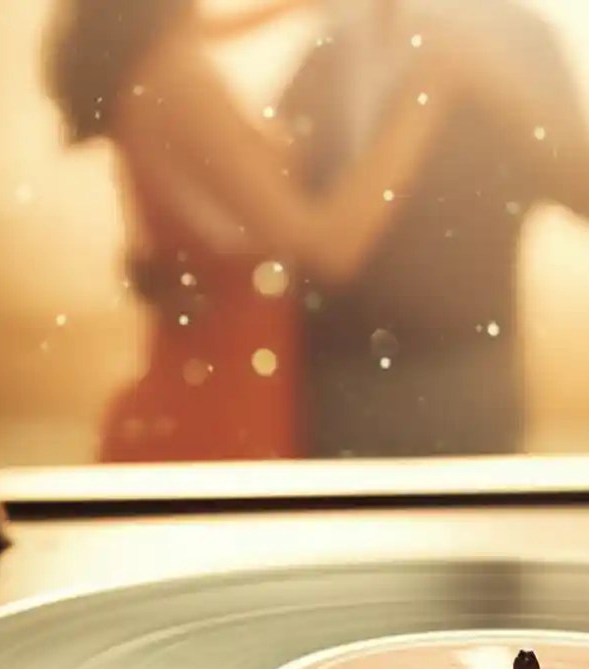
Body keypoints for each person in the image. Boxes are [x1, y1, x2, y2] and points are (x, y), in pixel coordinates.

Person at [45, 0, 463, 461]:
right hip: (217, 402)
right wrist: (428, 94)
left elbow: (222, 26)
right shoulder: (179, 81)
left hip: (214, 379)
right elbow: (328, 250)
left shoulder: (153, 57)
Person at [280, 0, 589, 457]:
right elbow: (270, 193)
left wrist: (495, 83)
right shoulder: (332, 42)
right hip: (333, 378)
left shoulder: (516, 36)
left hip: (463, 374)